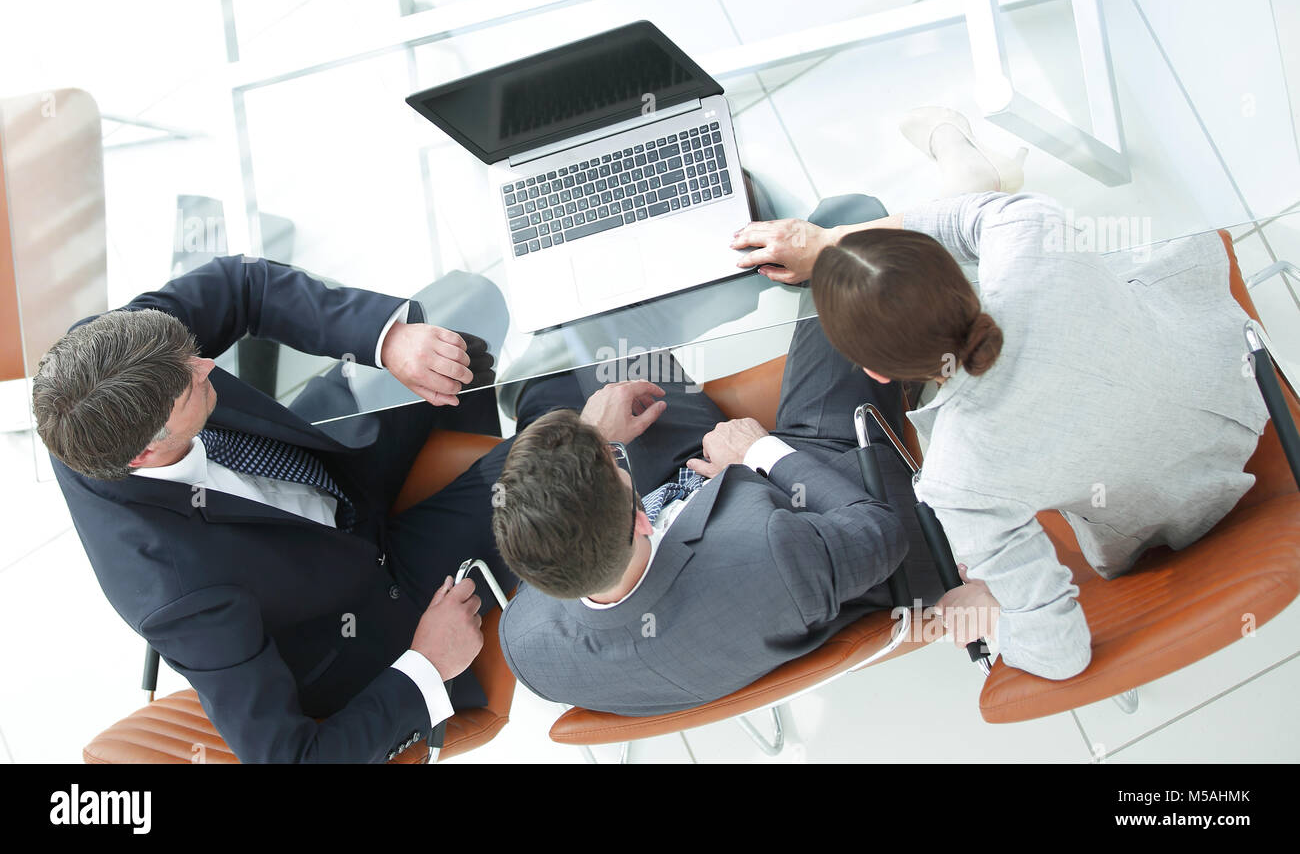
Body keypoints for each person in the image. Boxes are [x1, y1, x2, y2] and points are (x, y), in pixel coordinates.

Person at [731, 191, 1268, 680]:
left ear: (874, 373)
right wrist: (827, 239)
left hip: (1195, 504)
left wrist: (990, 607)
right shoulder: (1033, 245)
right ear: (959, 271)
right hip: (1242, 366)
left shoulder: (960, 482)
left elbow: (1061, 654)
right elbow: (977, 214)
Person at [32, 255, 545, 762]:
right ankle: (546, 486)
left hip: (334, 470)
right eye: (193, 383)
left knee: (454, 347)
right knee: (563, 456)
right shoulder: (182, 597)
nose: (207, 362)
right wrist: (426, 665)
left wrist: (387, 341)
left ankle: (502, 474)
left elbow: (241, 286)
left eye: (191, 351)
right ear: (144, 452)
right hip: (372, 612)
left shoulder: (106, 361)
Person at [489, 195, 943, 716]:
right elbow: (879, 534)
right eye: (615, 464)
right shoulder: (773, 556)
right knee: (848, 228)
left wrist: (598, 436)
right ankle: (890, 352)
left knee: (597, 317)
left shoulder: (529, 650)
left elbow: (569, 533)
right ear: (639, 519)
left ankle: (726, 238)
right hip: (807, 486)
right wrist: (760, 453)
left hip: (686, 491)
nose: (615, 453)